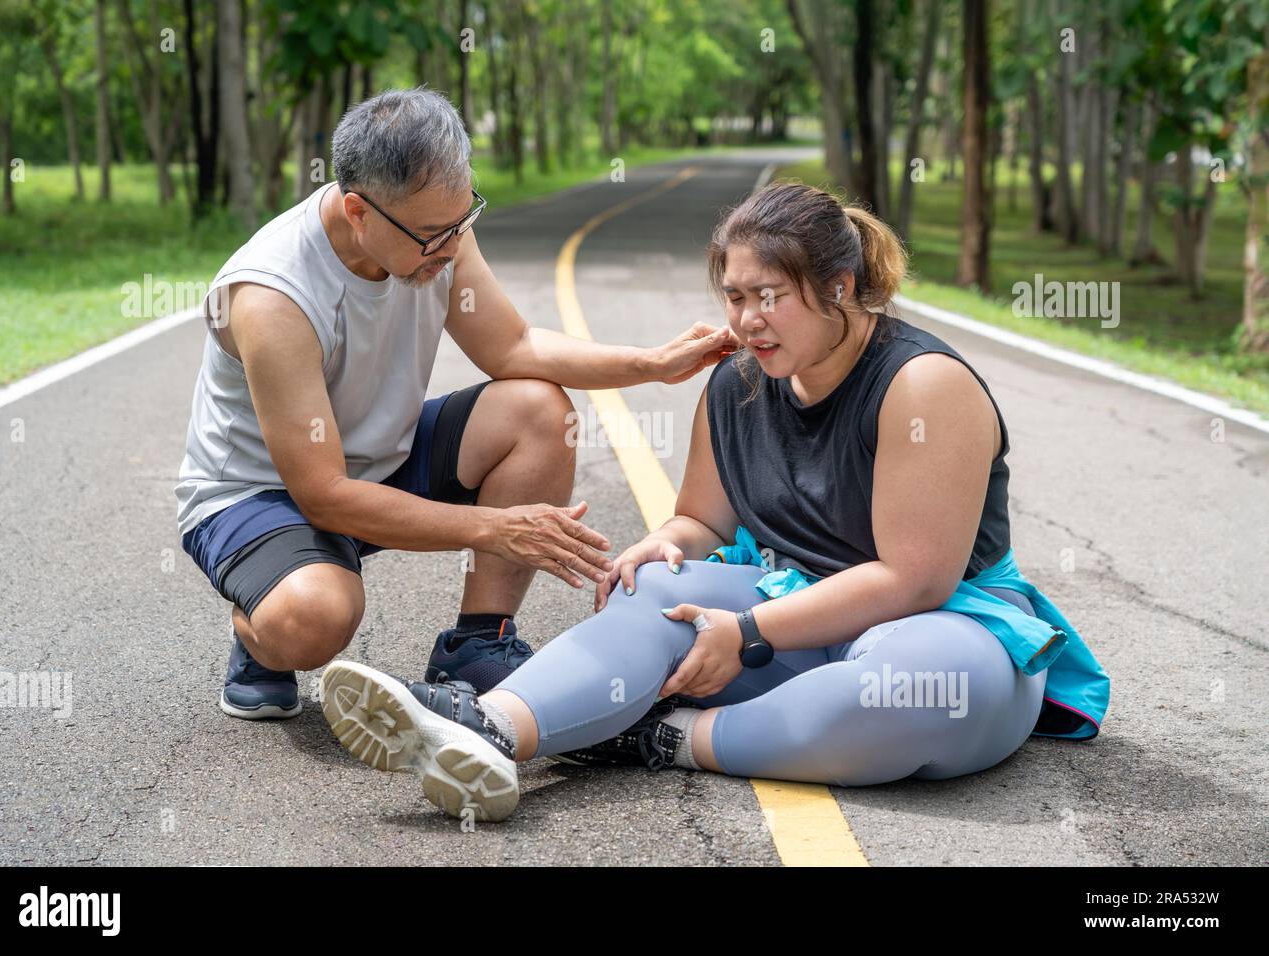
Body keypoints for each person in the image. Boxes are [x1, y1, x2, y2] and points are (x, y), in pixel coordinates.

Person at [319, 181, 1111, 823]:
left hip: (944, 629)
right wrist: (666, 543)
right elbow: (703, 522)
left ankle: (666, 736)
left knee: (921, 681)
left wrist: (748, 632)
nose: (746, 321)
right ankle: (488, 729)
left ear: (841, 287)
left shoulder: (923, 385)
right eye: (734, 297)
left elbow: (915, 582)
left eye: (769, 297)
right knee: (658, 592)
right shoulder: (736, 382)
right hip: (796, 618)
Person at [176, 87, 736, 720]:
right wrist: (500, 528)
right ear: (358, 211)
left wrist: (651, 365)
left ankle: (477, 643)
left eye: (462, 220)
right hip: (264, 495)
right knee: (318, 617)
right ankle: (262, 631)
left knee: (537, 409)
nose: (450, 248)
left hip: (382, 456)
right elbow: (323, 494)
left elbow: (514, 347)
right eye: (432, 236)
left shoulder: (434, 227)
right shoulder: (273, 297)